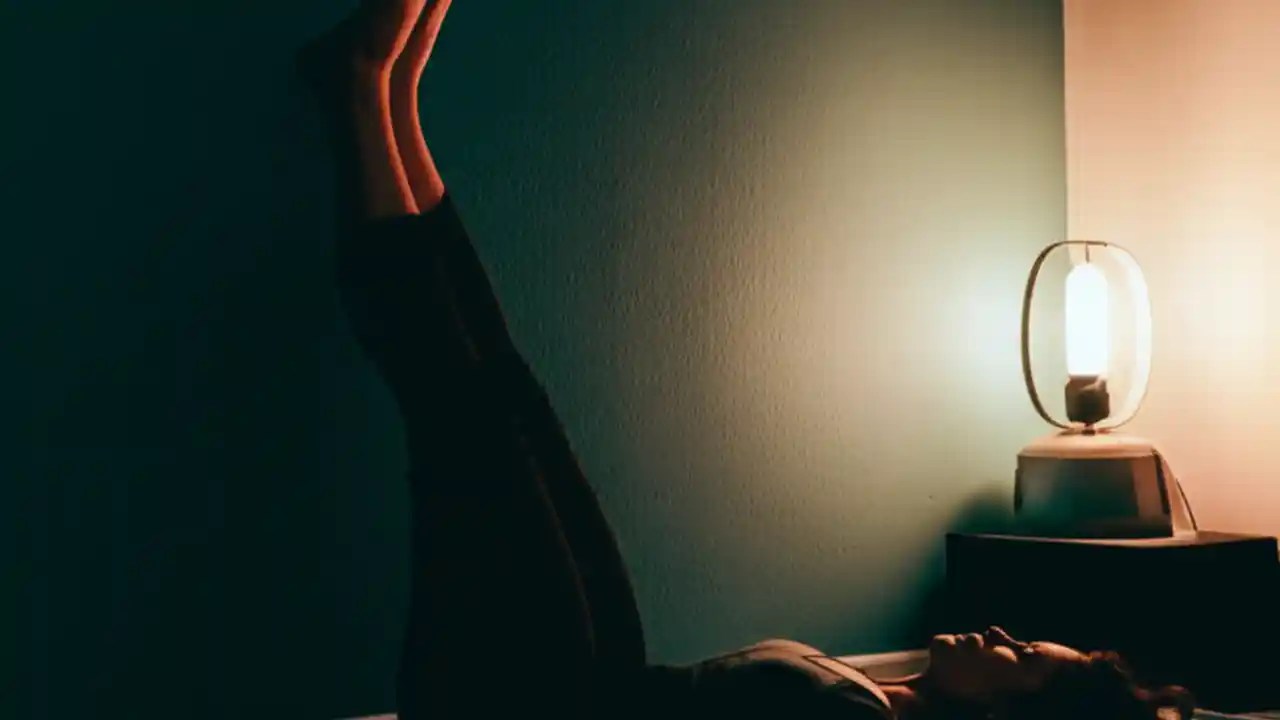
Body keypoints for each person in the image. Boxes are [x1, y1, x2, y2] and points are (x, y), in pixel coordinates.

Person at [297, 2, 1197, 718]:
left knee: (465, 416)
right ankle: (393, 104)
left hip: (539, 701)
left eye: (1023, 658)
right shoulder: (880, 698)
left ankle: (360, 90)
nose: (1001, 632)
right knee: (506, 394)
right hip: (608, 680)